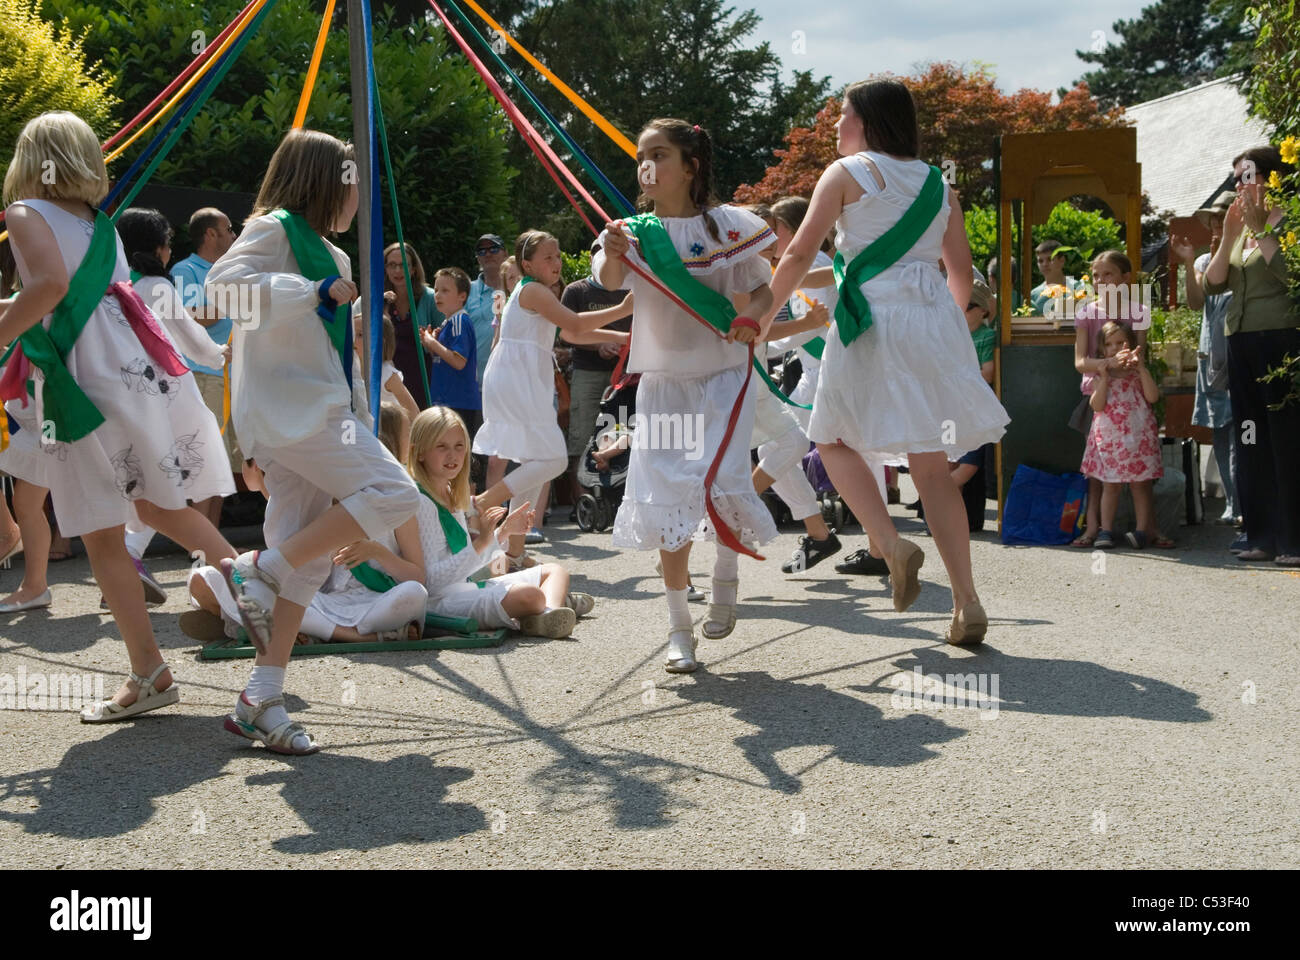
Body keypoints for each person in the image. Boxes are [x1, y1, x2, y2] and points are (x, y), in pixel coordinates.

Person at [0, 112, 237, 720]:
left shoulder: (26, 213)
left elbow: (50, 287)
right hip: (133, 369)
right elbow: (81, 291)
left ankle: (150, 673)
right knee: (156, 503)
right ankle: (251, 586)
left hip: (83, 380)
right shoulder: (98, 222)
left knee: (102, 530)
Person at [763, 80, 1010, 645]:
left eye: (843, 114)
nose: (835, 125)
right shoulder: (937, 186)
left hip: (870, 324)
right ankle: (967, 602)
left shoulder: (845, 173)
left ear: (868, 121)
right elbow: (961, 274)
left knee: (829, 439)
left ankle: (890, 543)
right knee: (931, 470)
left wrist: (760, 318)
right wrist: (940, 330)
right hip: (932, 328)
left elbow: (801, 253)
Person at [207, 128, 421, 755]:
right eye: (353, 182)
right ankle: (258, 573)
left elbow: (331, 350)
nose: (359, 197)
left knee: (307, 561)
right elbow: (221, 290)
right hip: (295, 414)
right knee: (393, 491)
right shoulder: (273, 229)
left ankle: (261, 700)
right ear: (329, 181)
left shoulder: (336, 256)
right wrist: (310, 292)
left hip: (315, 410)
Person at [596, 118, 780, 672]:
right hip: (663, 386)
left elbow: (764, 286)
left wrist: (751, 317)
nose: (647, 165)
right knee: (668, 496)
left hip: (725, 375)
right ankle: (679, 629)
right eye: (641, 156)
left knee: (722, 480)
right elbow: (608, 280)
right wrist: (611, 250)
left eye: (659, 154)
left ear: (690, 165)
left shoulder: (729, 227)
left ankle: (726, 574)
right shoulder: (631, 230)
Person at [473, 230, 628, 565]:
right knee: (554, 460)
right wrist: (624, 309)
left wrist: (622, 334)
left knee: (535, 462)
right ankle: (486, 500)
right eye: (548, 257)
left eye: (558, 255)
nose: (556, 262)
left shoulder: (537, 293)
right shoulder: (532, 290)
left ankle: (513, 552)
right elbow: (573, 321)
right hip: (518, 378)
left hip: (523, 376)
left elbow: (570, 332)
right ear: (526, 263)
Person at [410, 407, 593, 637]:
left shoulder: (450, 492)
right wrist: (483, 542)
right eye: (441, 446)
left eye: (459, 446)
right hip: (442, 601)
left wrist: (502, 533)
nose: (453, 455)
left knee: (556, 571)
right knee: (530, 595)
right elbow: (431, 582)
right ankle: (547, 607)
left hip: (467, 586)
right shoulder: (421, 501)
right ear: (419, 453)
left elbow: (471, 564)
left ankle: (548, 614)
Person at [1204, 145, 1300, 566]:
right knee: (1249, 436)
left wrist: (1262, 230)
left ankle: (1293, 538)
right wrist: (1228, 236)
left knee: (1286, 440)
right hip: (1240, 343)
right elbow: (1212, 284)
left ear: (1269, 177)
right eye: (1237, 178)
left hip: (1280, 341)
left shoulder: (1289, 221)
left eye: (1247, 176)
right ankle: (1259, 534)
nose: (1241, 186)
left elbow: (1292, 276)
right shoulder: (1239, 228)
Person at [1069, 250, 1151, 547]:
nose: (1101, 280)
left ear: (1125, 278)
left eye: (1108, 274)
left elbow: (1140, 354)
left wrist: (1127, 361)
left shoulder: (1139, 311)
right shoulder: (1086, 313)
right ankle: (1093, 528)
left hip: (1131, 399)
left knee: (1139, 470)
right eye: (1096, 275)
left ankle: (1145, 529)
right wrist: (1108, 365)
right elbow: (1080, 361)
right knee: (1097, 472)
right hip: (1099, 396)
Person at [1174, 191, 1238, 527]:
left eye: (1221, 217)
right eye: (1213, 218)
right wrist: (1188, 261)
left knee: (1243, 429)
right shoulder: (1202, 262)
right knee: (1222, 432)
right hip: (1211, 353)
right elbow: (1196, 303)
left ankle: (1242, 504)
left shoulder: (1244, 254)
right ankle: (1232, 503)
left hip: (1237, 349)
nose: (1215, 223)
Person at [1080, 322, 1169, 549]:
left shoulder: (1138, 374)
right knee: (1111, 485)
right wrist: (1104, 376)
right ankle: (1105, 530)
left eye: (1120, 343)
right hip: (1111, 440)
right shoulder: (1101, 376)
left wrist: (1141, 369)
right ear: (1102, 351)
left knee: (1140, 485)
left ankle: (1141, 532)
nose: (1115, 348)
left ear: (1131, 345)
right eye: (1109, 345)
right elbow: (1097, 405)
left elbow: (1152, 397)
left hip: (1139, 437)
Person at [559, 240, 633, 512]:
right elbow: (566, 333)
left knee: (623, 432)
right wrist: (598, 345)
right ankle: (582, 502)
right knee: (582, 433)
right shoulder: (576, 291)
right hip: (588, 372)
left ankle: (617, 499)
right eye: (597, 253)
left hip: (626, 374)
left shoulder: (630, 288)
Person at [171, 206, 241, 487]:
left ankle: (211, 531)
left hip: (235, 377)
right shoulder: (184, 270)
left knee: (232, 467)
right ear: (211, 234)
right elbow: (192, 317)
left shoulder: (229, 270)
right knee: (209, 467)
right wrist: (236, 296)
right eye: (229, 230)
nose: (235, 236)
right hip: (206, 376)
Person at [382, 241, 442, 408]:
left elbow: (445, 335)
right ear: (385, 269)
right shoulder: (380, 299)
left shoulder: (430, 298)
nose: (397, 271)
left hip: (425, 379)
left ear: (414, 269)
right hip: (391, 381)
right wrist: (382, 305)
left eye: (403, 265)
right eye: (392, 265)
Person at [424, 266, 481, 435]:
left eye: (445, 290)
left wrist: (432, 344)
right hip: (447, 400)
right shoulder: (447, 324)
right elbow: (443, 358)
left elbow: (458, 362)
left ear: (462, 296)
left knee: (459, 450)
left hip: (458, 401)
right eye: (435, 290)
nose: (437, 295)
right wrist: (432, 343)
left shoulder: (459, 322)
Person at [466, 233, 507, 388]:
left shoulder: (518, 289)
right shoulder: (466, 290)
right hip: (477, 383)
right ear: (478, 258)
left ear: (506, 253)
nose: (488, 254)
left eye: (494, 249)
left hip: (512, 380)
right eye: (482, 251)